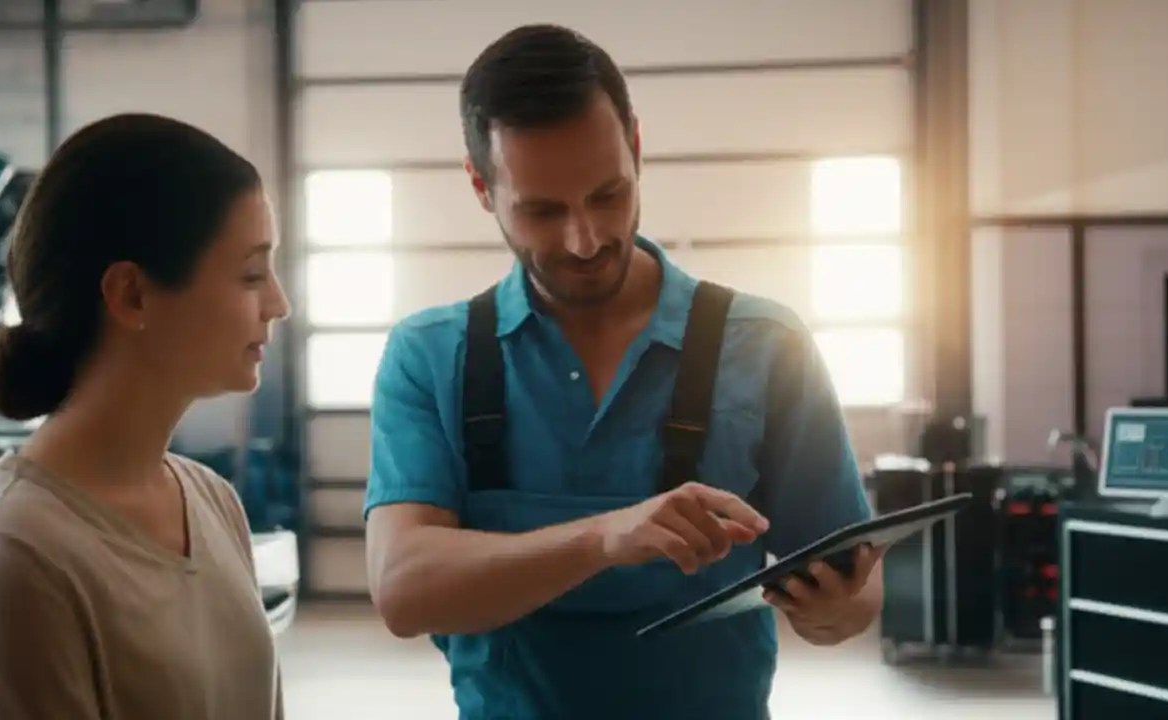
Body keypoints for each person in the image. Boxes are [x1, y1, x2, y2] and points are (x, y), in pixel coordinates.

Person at [364, 24, 883, 720]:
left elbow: (857, 590)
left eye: (608, 195)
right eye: (543, 211)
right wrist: (606, 539)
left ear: (636, 148)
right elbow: (403, 589)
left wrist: (834, 611)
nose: (585, 240)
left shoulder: (767, 346)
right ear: (481, 187)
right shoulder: (430, 357)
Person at [0, 113, 290, 719]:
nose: (278, 303)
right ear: (131, 295)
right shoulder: (17, 551)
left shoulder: (211, 500)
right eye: (251, 274)